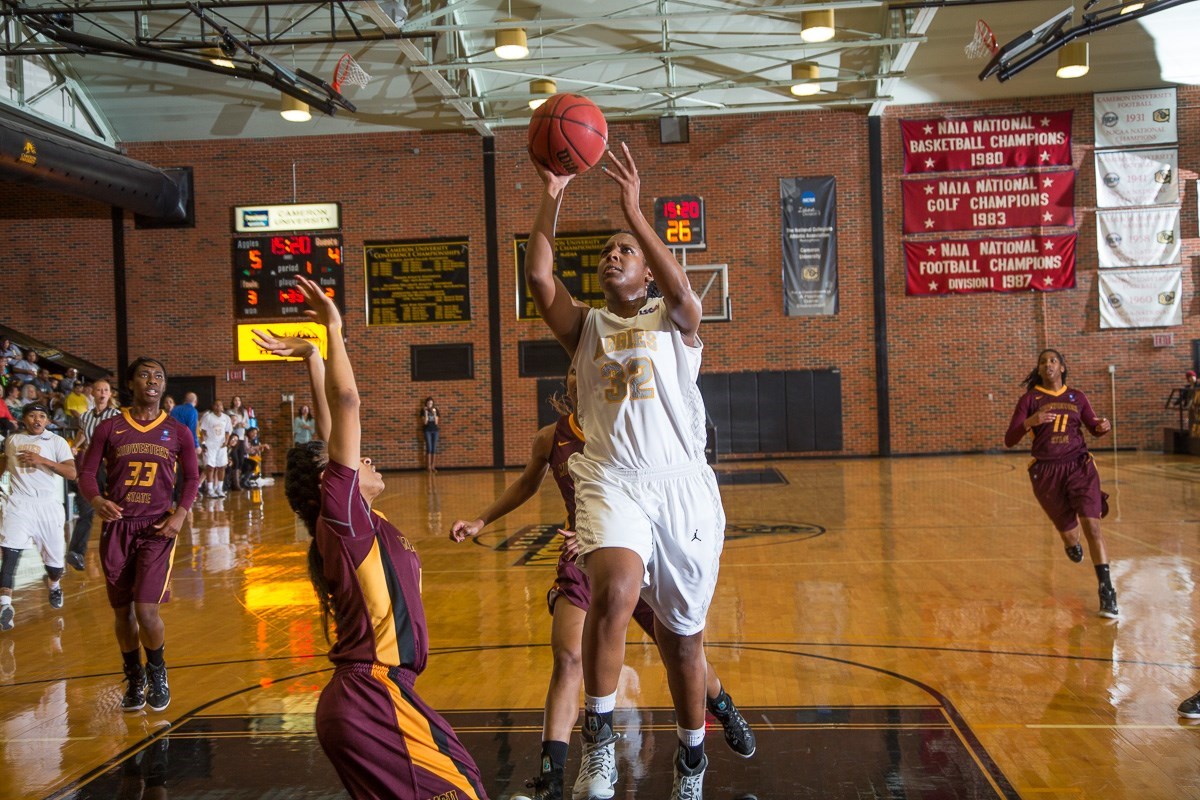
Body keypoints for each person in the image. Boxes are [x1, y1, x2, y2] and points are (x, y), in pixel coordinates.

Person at [525, 144, 727, 800]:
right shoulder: (585, 327)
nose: (612, 255)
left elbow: (686, 293)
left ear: (645, 271)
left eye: (625, 251)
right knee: (613, 591)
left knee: (684, 643)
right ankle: (599, 742)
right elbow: (539, 279)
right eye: (607, 250)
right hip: (612, 478)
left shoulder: (674, 321)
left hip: (682, 486)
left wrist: (636, 214)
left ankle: (692, 762)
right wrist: (553, 193)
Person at [450, 371, 754, 800]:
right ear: (570, 383)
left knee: (681, 649)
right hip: (583, 561)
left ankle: (721, 704)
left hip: (638, 554)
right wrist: (481, 520)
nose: (581, 375)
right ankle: (551, 777)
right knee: (568, 658)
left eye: (585, 368)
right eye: (574, 370)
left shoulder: (628, 428)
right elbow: (525, 484)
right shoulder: (550, 437)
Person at [251, 275, 487, 800]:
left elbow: (332, 425)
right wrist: (333, 328)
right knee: (465, 790)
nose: (366, 456)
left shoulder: (355, 523)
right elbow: (347, 403)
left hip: (374, 699)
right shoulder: (343, 517)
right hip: (371, 695)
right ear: (331, 481)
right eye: (354, 458)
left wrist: (312, 355)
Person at [77, 357, 199, 712]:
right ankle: (134, 676)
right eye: (144, 375)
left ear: (164, 385)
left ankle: (157, 672)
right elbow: (87, 474)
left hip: (157, 528)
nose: (152, 381)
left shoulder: (178, 431)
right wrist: (96, 499)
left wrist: (181, 514)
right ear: (131, 383)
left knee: (146, 610)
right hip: (118, 526)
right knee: (123, 613)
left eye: (158, 376)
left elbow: (192, 477)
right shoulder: (109, 428)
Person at [1005, 349, 1118, 618]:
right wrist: (1031, 421)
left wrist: (1102, 426)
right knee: (1070, 534)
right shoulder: (1030, 400)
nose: (1048, 365)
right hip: (1047, 471)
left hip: (1079, 466)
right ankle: (1070, 543)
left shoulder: (1077, 397)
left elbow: (1093, 426)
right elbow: (1009, 439)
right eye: (1043, 362)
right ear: (1039, 370)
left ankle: (1107, 590)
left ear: (1062, 368)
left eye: (1053, 361)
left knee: (1092, 525)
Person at [0, 403, 77, 630]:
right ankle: (4, 606)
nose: (37, 419)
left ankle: (53, 585)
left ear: (47, 421)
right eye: (32, 415)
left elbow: (72, 473)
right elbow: (4, 462)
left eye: (42, 416)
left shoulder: (56, 441)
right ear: (23, 419)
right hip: (18, 504)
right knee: (9, 554)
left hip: (47, 506)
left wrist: (43, 460)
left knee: (55, 567)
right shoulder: (13, 440)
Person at [67, 378, 122, 571]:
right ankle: (76, 552)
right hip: (91, 466)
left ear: (110, 394)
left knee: (114, 510)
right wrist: (75, 446)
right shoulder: (85, 416)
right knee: (87, 509)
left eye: (105, 390)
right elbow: (82, 433)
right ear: (93, 393)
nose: (102, 393)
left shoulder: (116, 415)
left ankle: (117, 553)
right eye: (98, 390)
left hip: (110, 467)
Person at [198, 400, 232, 498]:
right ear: (213, 406)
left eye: (220, 405)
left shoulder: (226, 418)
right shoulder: (208, 417)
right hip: (210, 445)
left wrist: (226, 441)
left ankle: (219, 489)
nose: (218, 407)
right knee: (210, 467)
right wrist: (203, 443)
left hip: (221, 446)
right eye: (216, 405)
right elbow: (202, 431)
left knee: (222, 467)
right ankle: (210, 489)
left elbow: (228, 431)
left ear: (222, 407)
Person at [420, 397, 439, 472]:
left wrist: (434, 414)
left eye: (431, 403)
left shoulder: (435, 410)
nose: (429, 404)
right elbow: (425, 422)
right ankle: (428, 467)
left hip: (435, 431)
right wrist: (426, 413)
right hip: (427, 430)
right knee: (429, 448)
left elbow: (436, 422)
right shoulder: (423, 410)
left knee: (434, 448)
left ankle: (433, 466)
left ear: (433, 404)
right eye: (428, 403)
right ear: (426, 403)